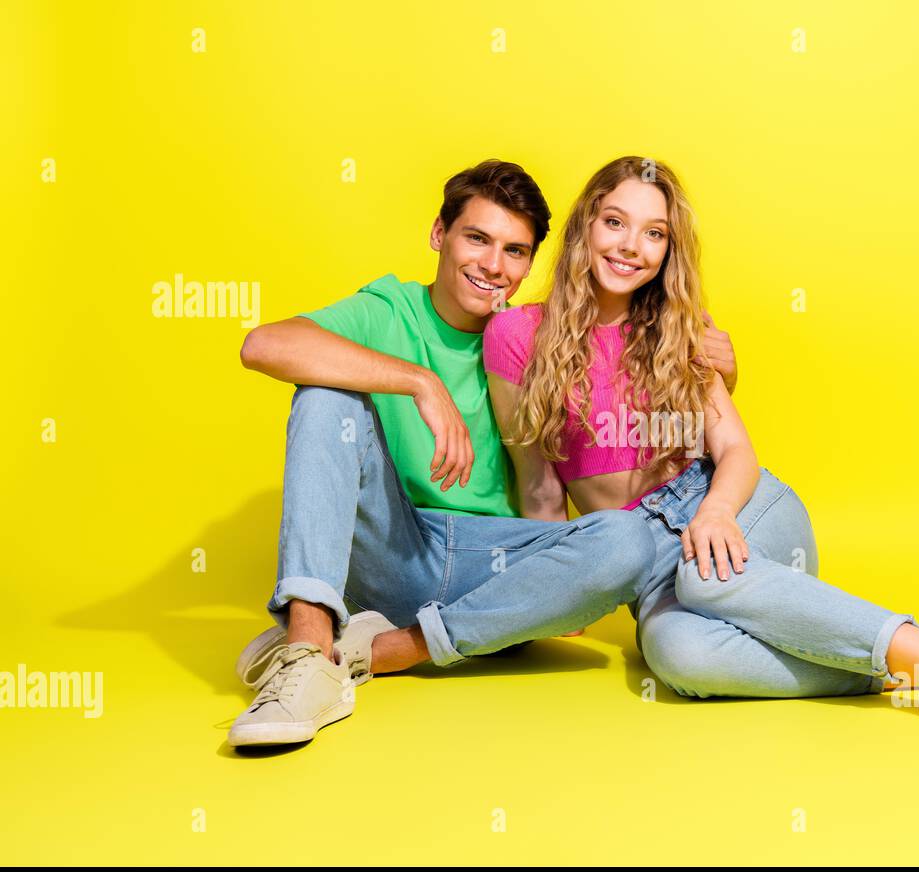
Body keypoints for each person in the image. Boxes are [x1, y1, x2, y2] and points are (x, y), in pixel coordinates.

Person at [483, 156, 919, 751]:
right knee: (680, 658)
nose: (629, 246)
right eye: (615, 223)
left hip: (737, 511)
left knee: (704, 576)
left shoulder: (679, 328)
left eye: (653, 234)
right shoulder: (516, 335)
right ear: (584, 225)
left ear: (669, 252)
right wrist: (560, 590)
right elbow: (537, 486)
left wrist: (715, 513)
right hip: (646, 564)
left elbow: (734, 450)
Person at [227, 158, 743, 748]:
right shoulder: (390, 310)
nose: (493, 266)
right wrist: (422, 383)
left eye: (515, 251)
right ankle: (307, 653)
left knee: (624, 539)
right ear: (438, 235)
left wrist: (724, 374)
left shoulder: (542, 336)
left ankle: (374, 646)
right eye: (476, 238)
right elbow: (264, 343)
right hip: (399, 547)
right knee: (324, 397)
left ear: (532, 263)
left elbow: (646, 434)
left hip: (494, 565)